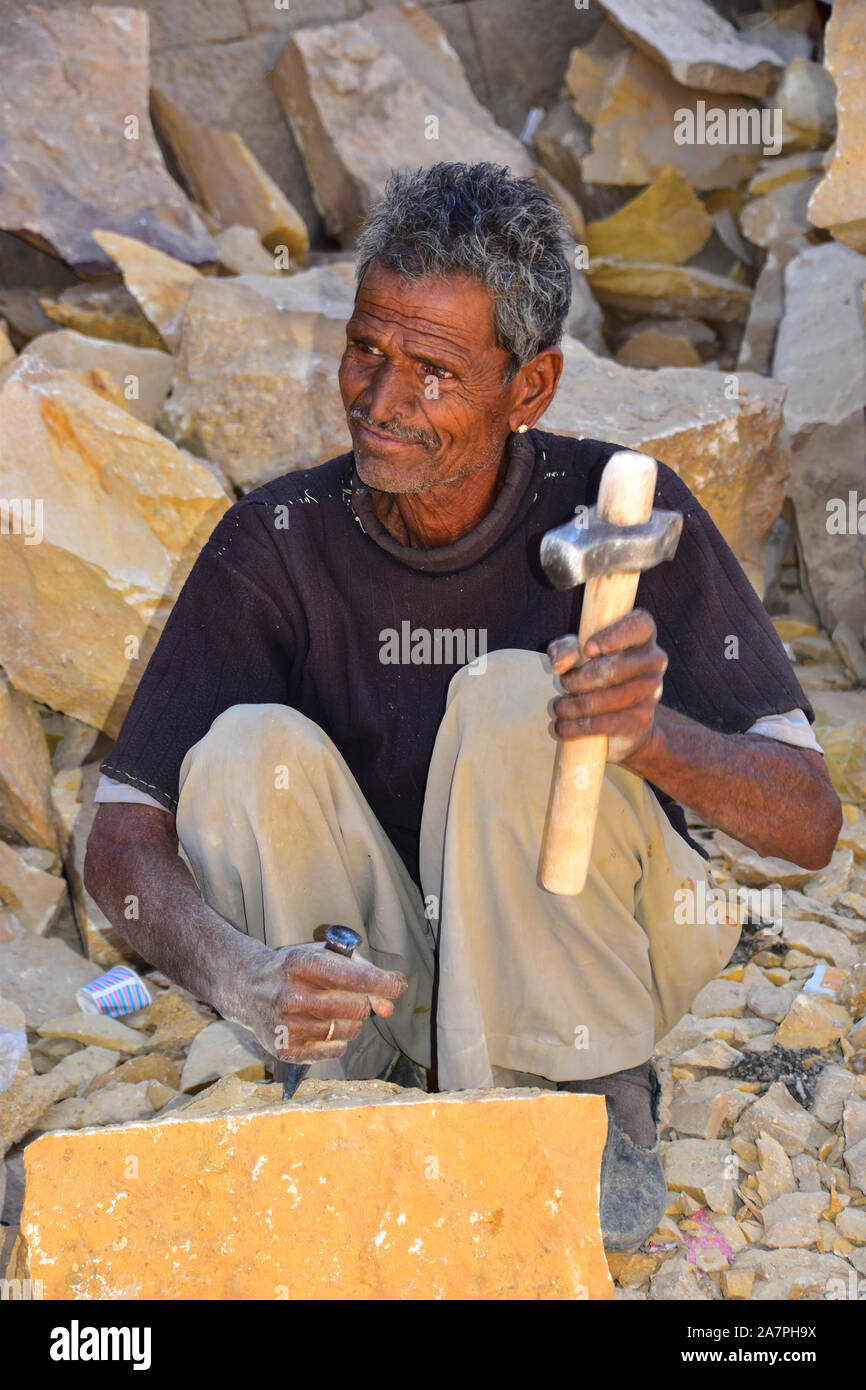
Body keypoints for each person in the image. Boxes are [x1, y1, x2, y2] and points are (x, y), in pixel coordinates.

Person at [85, 162, 841, 1250]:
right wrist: (234, 969)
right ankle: (357, 1086)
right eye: (365, 349)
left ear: (526, 390)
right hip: (388, 961)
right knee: (249, 748)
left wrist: (652, 737)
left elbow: (808, 823)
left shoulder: (623, 507)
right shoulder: (277, 542)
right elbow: (119, 833)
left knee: (512, 699)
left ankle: (575, 1096)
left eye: (433, 373)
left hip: (584, 952)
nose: (379, 401)